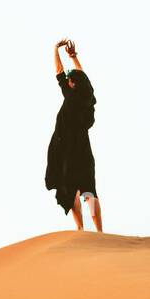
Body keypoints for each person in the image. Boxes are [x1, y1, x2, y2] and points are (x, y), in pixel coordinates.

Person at [45, 38, 102, 232]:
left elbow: (59, 72)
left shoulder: (70, 97)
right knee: (89, 192)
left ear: (72, 85)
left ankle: (80, 229)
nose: (67, 81)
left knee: (71, 192)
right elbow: (82, 77)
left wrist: (56, 50)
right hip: (84, 150)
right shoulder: (87, 97)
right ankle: (100, 231)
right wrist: (74, 57)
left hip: (67, 149)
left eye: (70, 80)